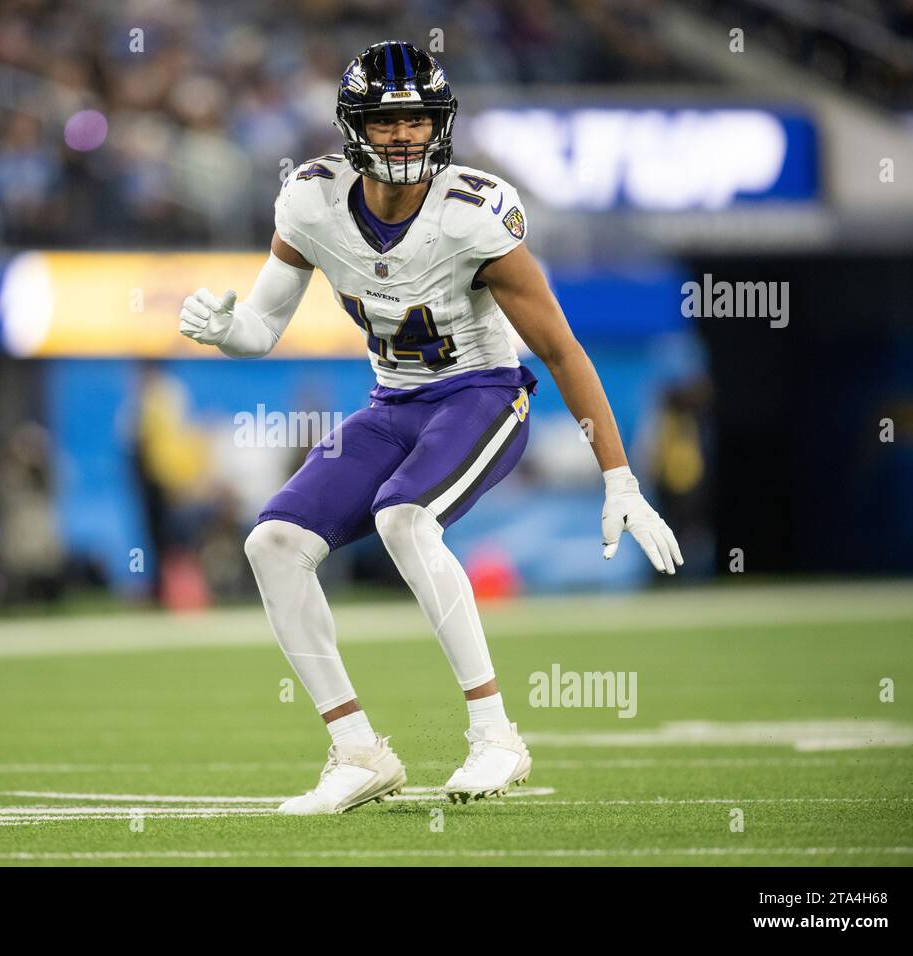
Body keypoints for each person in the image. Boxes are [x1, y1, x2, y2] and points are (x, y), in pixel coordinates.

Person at [179, 41, 683, 814]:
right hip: (393, 403)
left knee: (404, 517)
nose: (407, 135)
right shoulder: (312, 201)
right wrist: (225, 329)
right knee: (271, 544)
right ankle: (357, 751)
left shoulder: (471, 212)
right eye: (388, 121)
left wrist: (619, 474)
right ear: (354, 128)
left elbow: (558, 346)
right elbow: (261, 329)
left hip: (482, 393)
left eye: (419, 119)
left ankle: (495, 735)